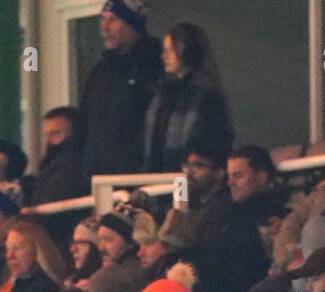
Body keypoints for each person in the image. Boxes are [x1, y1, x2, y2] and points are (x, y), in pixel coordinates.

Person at [78, 0, 164, 177]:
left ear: (133, 24)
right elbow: (85, 123)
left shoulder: (154, 64)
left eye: (114, 19)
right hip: (99, 180)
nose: (105, 27)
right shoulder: (100, 71)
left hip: (139, 178)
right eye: (103, 19)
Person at [142, 23, 233, 173]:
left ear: (187, 51)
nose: (164, 56)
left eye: (171, 50)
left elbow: (213, 140)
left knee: (181, 196)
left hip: (188, 179)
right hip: (157, 176)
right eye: (164, 50)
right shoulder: (160, 94)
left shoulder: (206, 94)